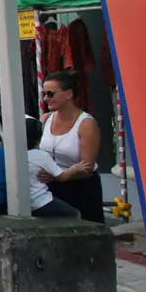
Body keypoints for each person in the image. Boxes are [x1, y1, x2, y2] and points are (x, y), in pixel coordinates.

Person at [40, 70, 104, 222]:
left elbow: (86, 168)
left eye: (50, 94)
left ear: (69, 94)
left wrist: (59, 176)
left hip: (81, 188)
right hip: (51, 188)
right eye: (44, 93)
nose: (46, 98)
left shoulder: (86, 124)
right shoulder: (45, 119)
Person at [24, 116, 80, 217]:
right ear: (39, 138)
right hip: (41, 201)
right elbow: (62, 176)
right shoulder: (40, 155)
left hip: (25, 202)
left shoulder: (13, 154)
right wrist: (76, 168)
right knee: (75, 214)